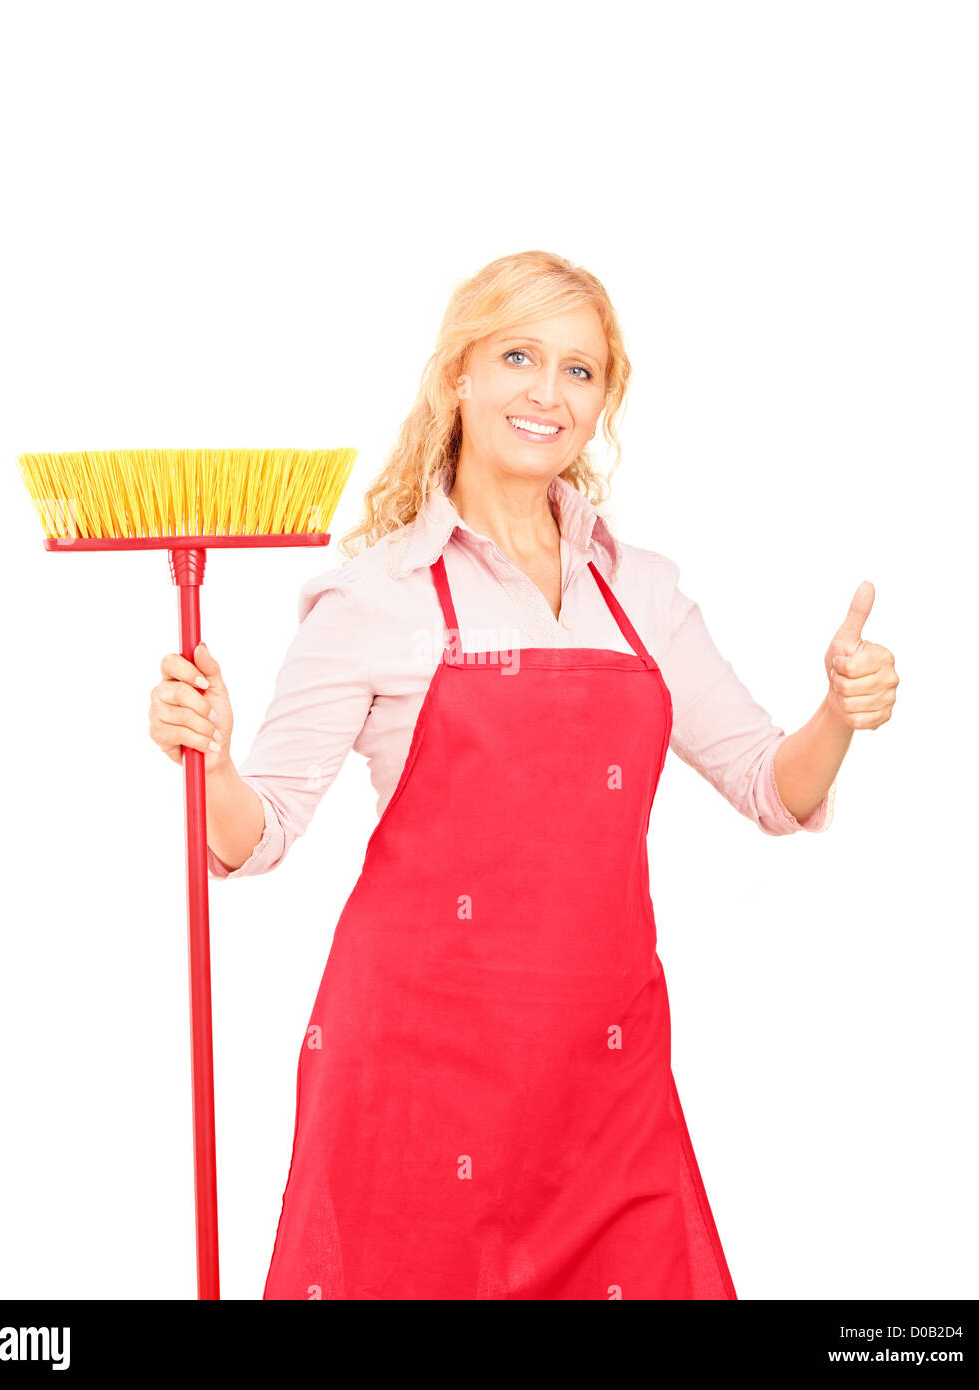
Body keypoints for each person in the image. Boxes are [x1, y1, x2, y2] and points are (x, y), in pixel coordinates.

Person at [148, 250, 897, 1299]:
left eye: (579, 370)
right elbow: (253, 831)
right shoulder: (376, 596)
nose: (547, 391)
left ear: (602, 402)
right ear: (458, 376)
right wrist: (212, 757)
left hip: (604, 1086)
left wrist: (836, 711)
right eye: (517, 355)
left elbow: (774, 784)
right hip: (412, 1079)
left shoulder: (640, 590)